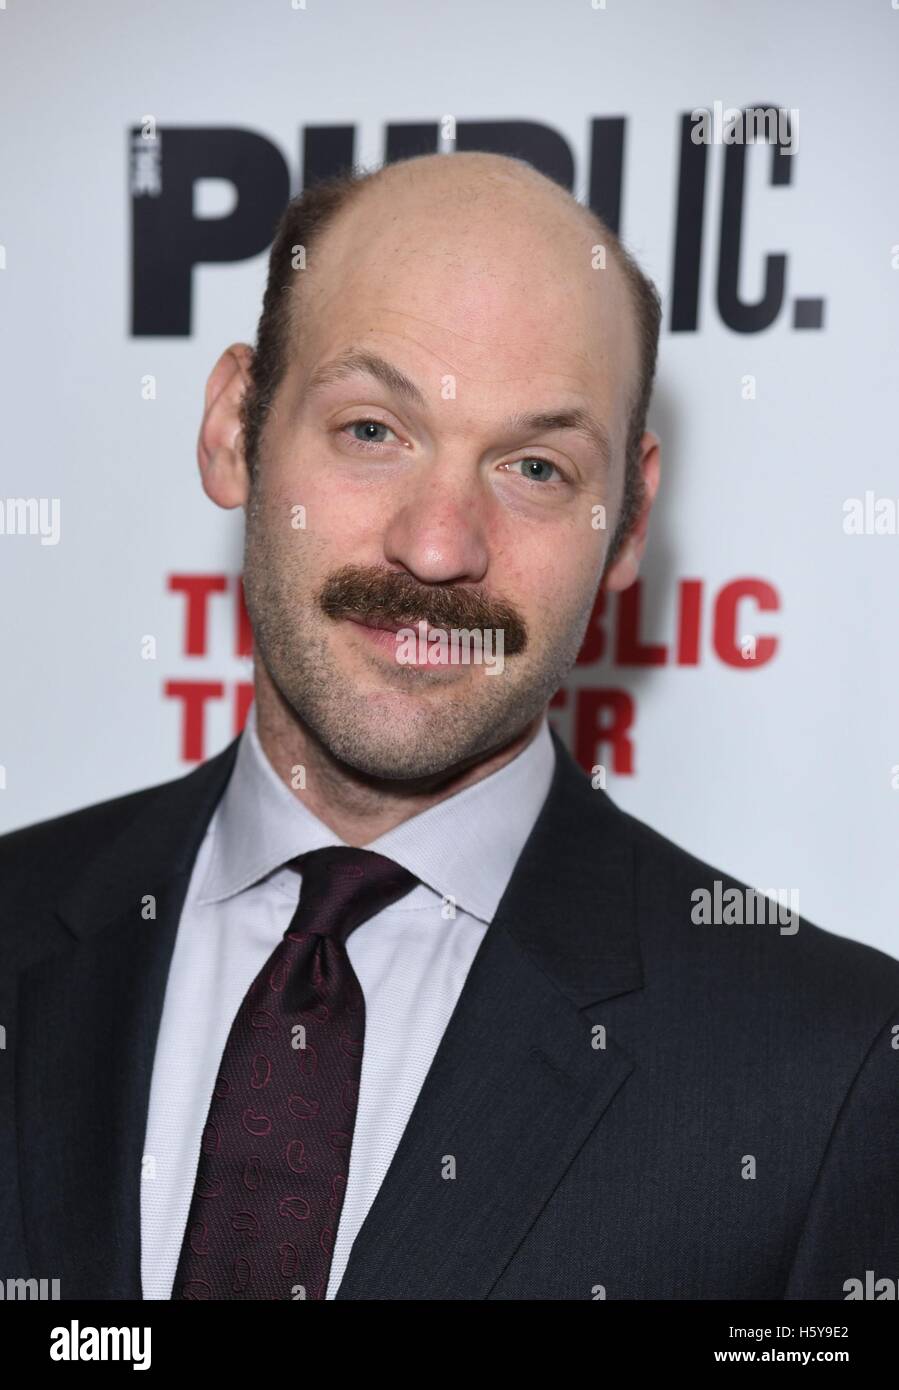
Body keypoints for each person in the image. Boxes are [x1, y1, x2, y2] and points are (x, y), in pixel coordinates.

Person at [2, 152, 897, 1302]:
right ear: (234, 426)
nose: (436, 548)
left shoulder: (825, 1073)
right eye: (373, 429)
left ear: (625, 523)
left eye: (533, 466)